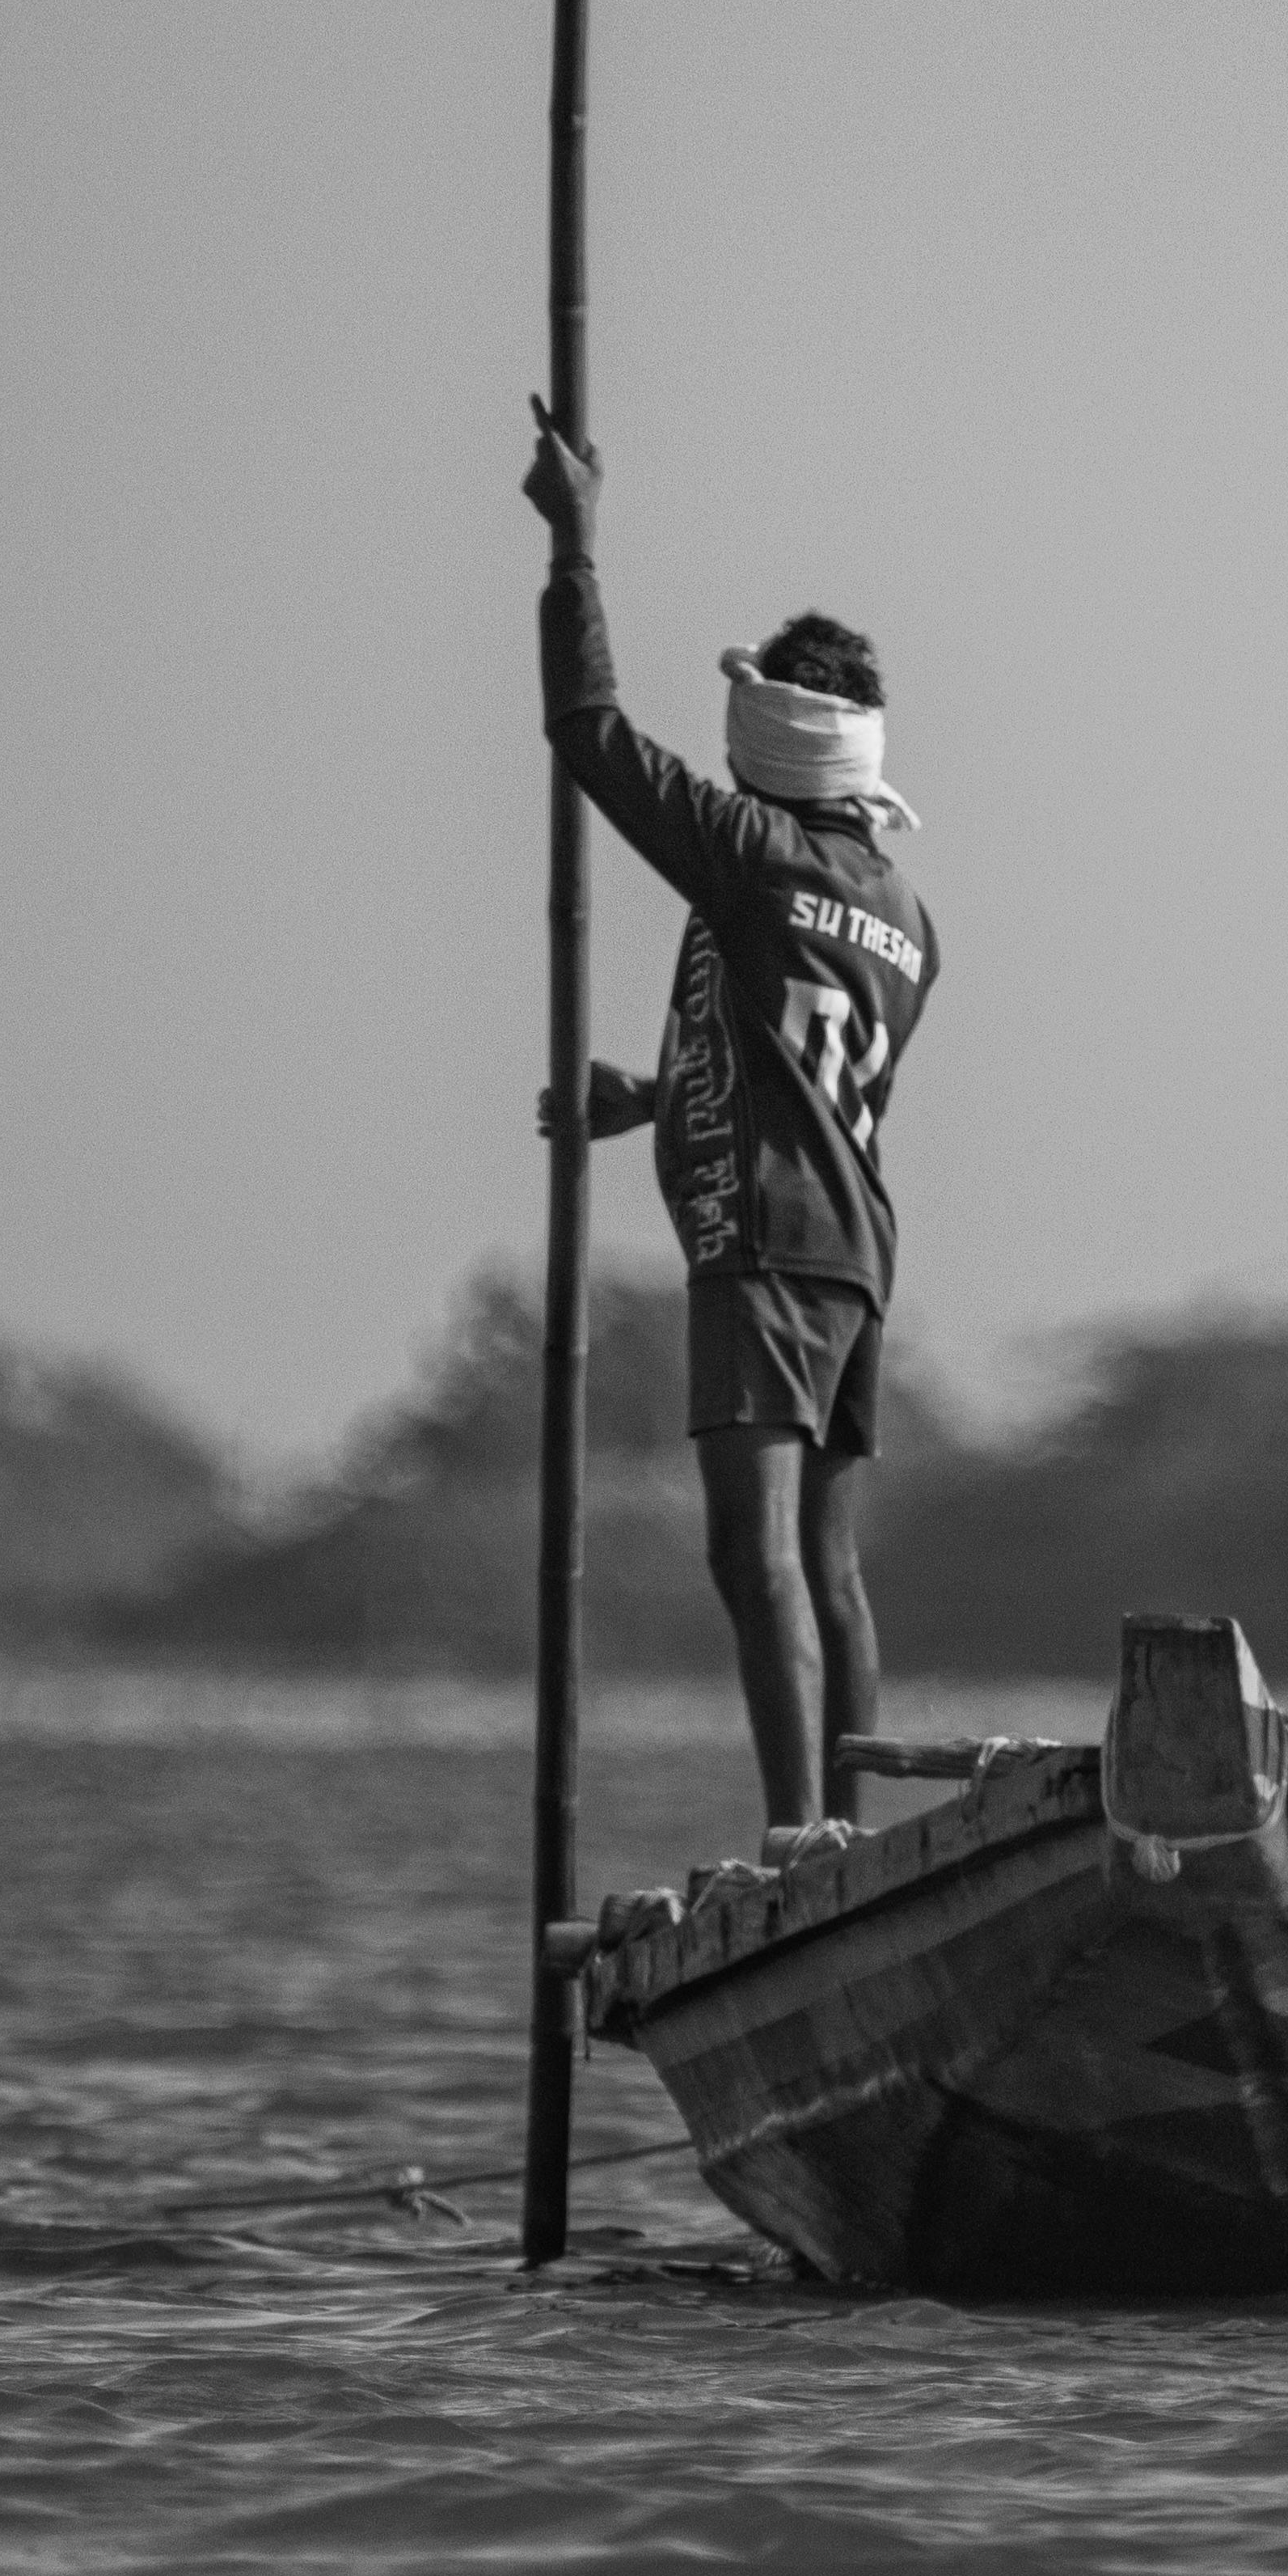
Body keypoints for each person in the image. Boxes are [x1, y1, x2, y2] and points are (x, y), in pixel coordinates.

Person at [521, 402, 937, 1851]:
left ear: (772, 742)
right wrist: (653, 1098)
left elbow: (588, 734)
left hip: (763, 1248)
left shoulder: (753, 855)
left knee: (751, 1555)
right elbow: (802, 1060)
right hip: (856, 1250)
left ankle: (800, 1835)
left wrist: (575, 548)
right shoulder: (903, 910)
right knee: (830, 1564)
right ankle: (850, 1829)